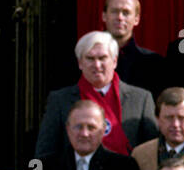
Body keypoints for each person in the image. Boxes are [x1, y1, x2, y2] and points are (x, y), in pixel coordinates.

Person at [36, 30, 156, 162]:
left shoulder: (140, 99)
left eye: (102, 58)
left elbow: (153, 150)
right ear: (80, 63)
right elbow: (44, 152)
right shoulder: (60, 100)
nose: (97, 65)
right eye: (90, 58)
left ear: (114, 61)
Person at [101, 0, 166, 94]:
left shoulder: (154, 64)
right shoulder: (85, 59)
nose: (120, 17)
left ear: (136, 19)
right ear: (104, 16)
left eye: (126, 13)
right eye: (114, 11)